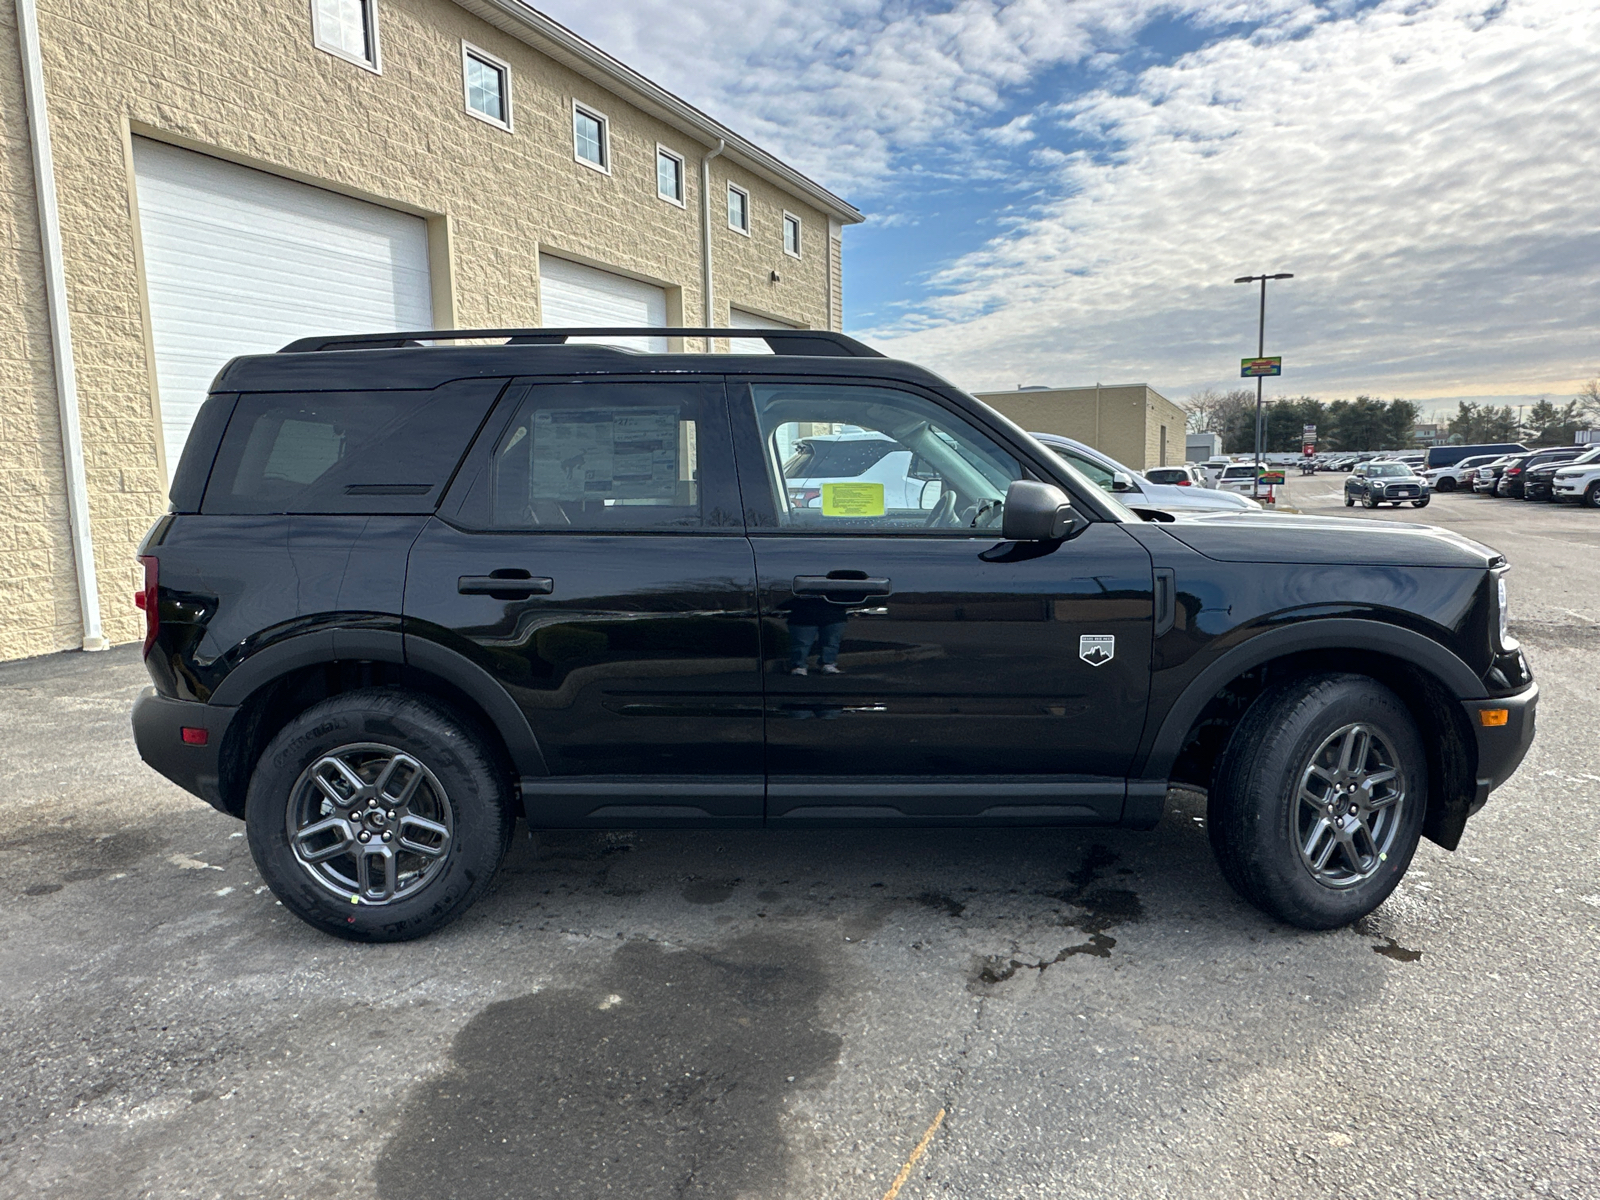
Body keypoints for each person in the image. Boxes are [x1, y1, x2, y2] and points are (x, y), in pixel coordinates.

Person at [784, 594, 849, 676]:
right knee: (802, 644)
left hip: (834, 612)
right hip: (803, 613)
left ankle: (828, 664)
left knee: (831, 642)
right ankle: (799, 666)